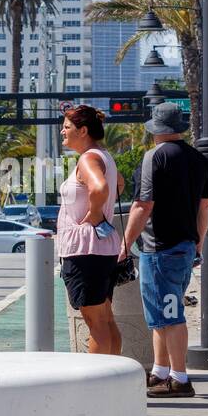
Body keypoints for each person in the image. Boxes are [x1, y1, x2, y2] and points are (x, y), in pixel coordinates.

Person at [120, 102, 208, 398]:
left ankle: (180, 378)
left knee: (171, 315)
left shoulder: (154, 157)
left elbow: (143, 204)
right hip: (184, 247)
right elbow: (205, 205)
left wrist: (125, 242)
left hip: (159, 248)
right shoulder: (199, 159)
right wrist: (197, 241)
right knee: (160, 314)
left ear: (156, 129)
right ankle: (160, 371)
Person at [56, 105, 124, 355]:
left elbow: (101, 187)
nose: (62, 131)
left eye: (66, 127)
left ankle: (98, 385)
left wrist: (93, 216)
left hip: (86, 249)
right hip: (101, 248)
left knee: (96, 323)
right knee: (105, 319)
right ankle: (114, 379)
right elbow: (119, 184)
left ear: (83, 130)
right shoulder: (102, 155)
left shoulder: (88, 158)